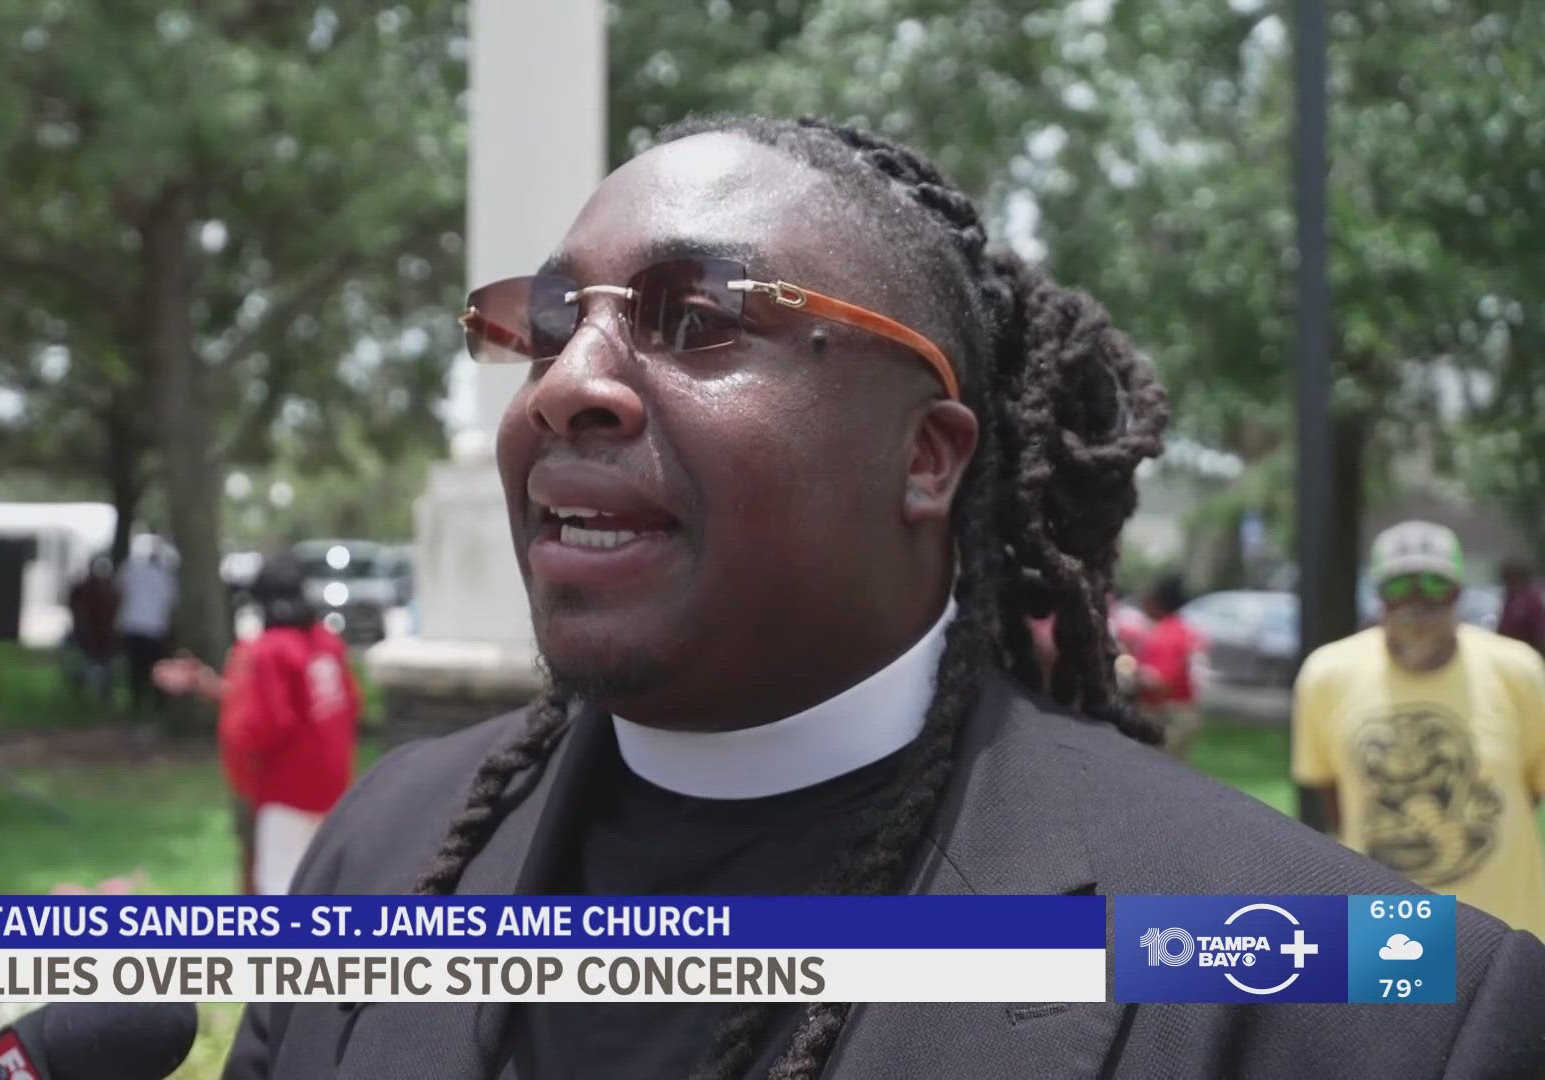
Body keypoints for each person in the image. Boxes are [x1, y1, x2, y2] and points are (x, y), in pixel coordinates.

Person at [224, 118, 1544, 1079]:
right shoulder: (381, 851)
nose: (573, 383)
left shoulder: (1363, 1000)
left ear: (926, 457)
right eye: (557, 324)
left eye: (699, 318)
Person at [1294, 521, 1545, 938]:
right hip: (1386, 933)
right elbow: (1331, 793)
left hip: (1505, 932)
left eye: (1433, 583)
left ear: (1457, 592)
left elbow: (1530, 790)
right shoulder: (1327, 674)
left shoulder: (1519, 670)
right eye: (1399, 585)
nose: (1416, 599)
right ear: (1379, 595)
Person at [155, 554, 359, 894]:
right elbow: (330, 706)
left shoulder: (266, 651)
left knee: (277, 891)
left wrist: (241, 778)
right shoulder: (328, 644)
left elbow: (257, 726)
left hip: (284, 794)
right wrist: (211, 684)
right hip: (333, 790)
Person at [1134, 575, 1204, 758]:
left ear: (1158, 601)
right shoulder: (1180, 628)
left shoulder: (1166, 635)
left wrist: (1130, 674)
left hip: (1166, 715)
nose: (1142, 600)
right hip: (1181, 712)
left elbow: (1160, 682)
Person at [115, 540, 177, 711]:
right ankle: (157, 703)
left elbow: (118, 589)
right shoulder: (167, 576)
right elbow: (172, 603)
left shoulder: (131, 569)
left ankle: (137, 702)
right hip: (155, 629)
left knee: (135, 667)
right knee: (156, 668)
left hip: (132, 626)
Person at [65, 555, 119, 705]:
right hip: (90, 635)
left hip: (102, 636)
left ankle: (103, 696)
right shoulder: (86, 588)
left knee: (102, 666)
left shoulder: (109, 590)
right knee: (88, 664)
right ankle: (85, 693)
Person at [1497, 558, 1545, 657]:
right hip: (1511, 654)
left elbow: (1539, 633)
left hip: (1529, 655)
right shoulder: (1510, 600)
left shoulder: (1530, 600)